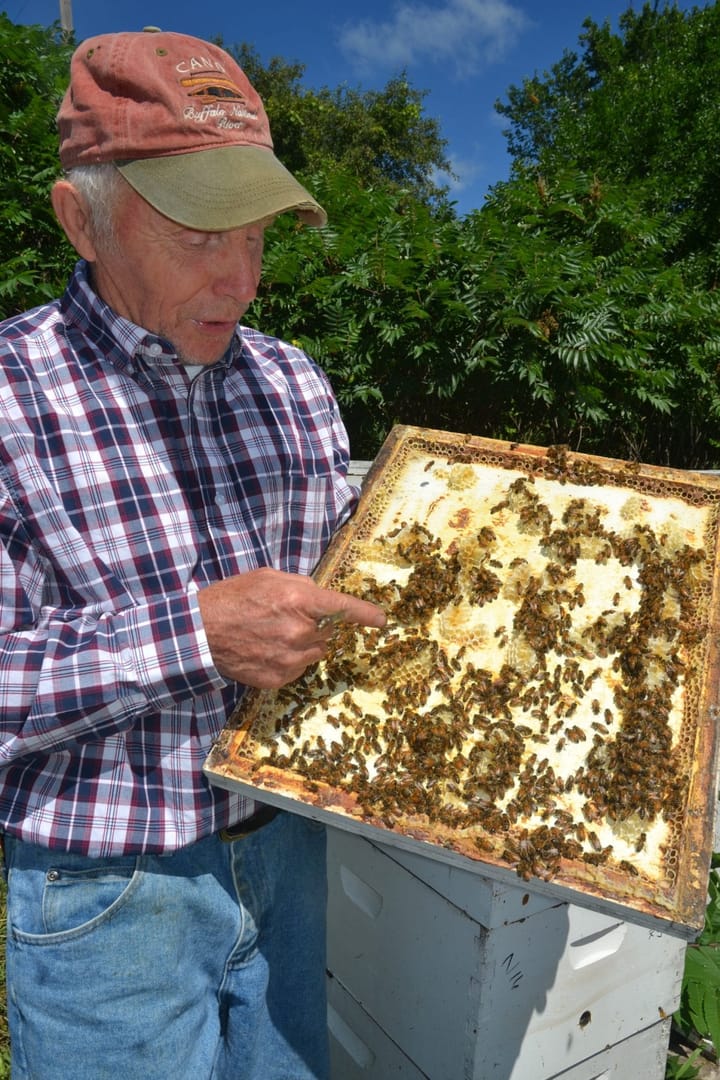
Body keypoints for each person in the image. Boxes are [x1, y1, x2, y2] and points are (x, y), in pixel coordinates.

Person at [0, 27, 385, 1080]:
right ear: (81, 218)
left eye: (256, 237)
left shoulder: (295, 383)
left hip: (293, 846)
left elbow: (355, 585)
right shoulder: (12, 395)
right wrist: (193, 635)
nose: (242, 279)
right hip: (109, 893)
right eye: (202, 234)